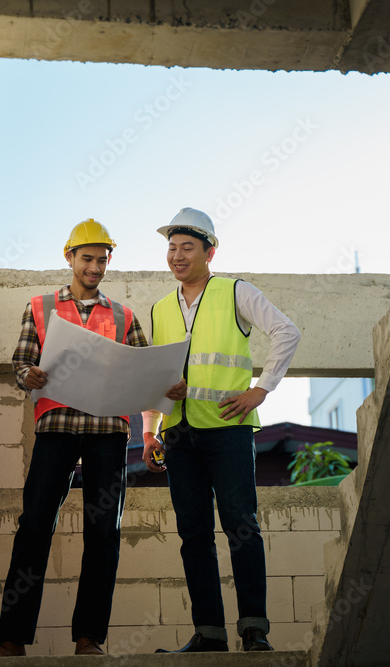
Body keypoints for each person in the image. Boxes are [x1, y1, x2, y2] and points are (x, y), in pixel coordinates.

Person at [0, 219, 150, 657]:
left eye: (102, 259)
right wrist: (29, 374)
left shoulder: (123, 316)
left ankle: (88, 638)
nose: (95, 267)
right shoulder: (39, 306)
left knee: (103, 532)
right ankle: (11, 638)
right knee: (34, 526)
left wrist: (161, 387)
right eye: (87, 258)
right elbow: (21, 363)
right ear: (70, 257)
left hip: (107, 433)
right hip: (56, 428)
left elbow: (143, 372)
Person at [143, 208, 301, 653]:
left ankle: (254, 631)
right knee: (193, 535)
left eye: (187, 247)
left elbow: (286, 332)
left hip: (228, 430)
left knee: (241, 526)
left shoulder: (234, 291)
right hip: (178, 435)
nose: (177, 256)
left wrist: (261, 390)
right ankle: (209, 635)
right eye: (171, 248)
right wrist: (151, 431)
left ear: (210, 252)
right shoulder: (159, 309)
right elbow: (157, 375)